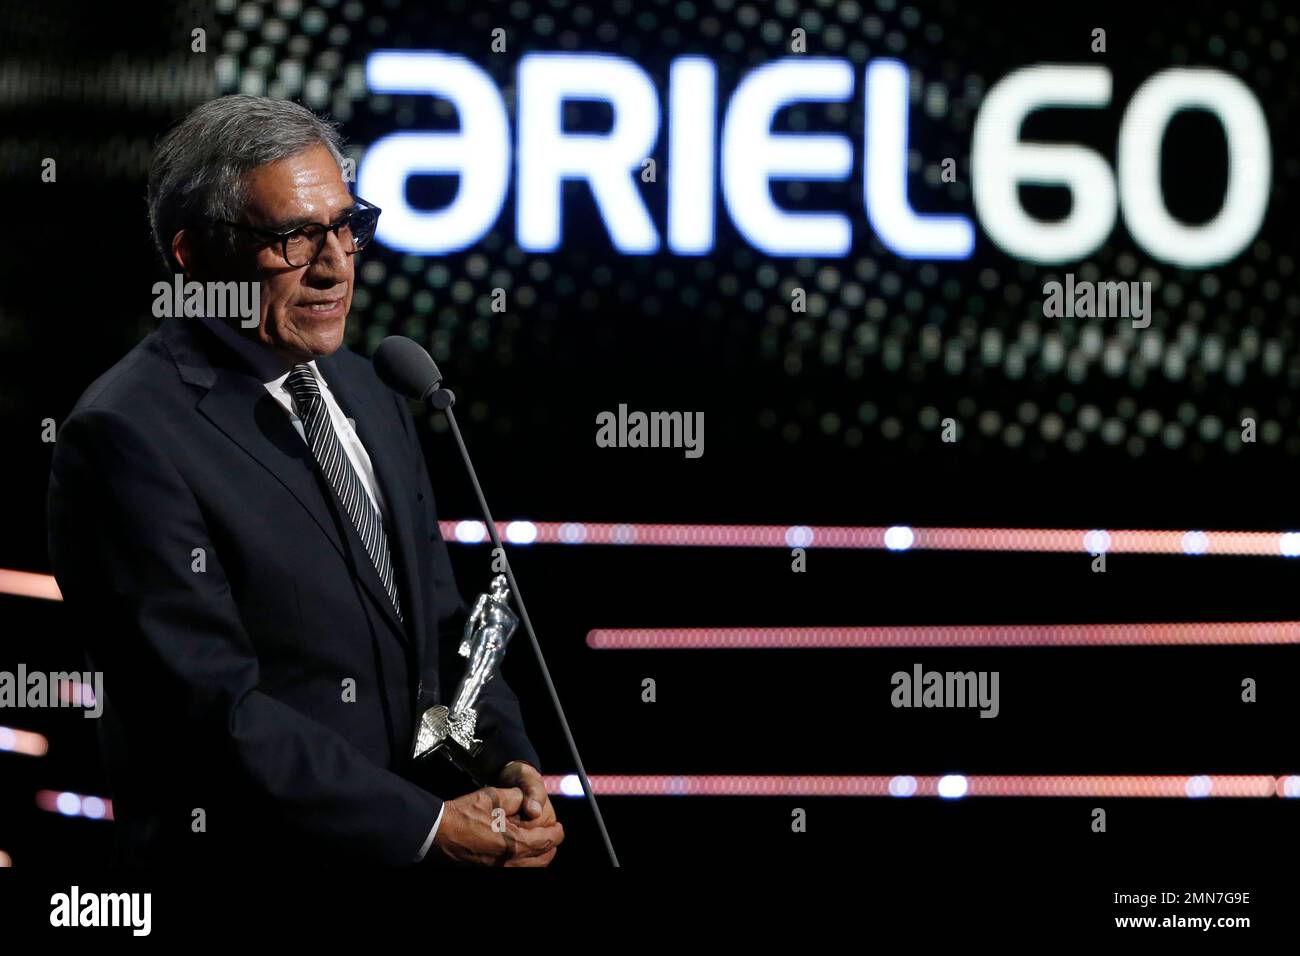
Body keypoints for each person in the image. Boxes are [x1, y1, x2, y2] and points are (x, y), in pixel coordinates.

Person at [46, 95, 562, 866]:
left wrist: (503, 759)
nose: (334, 265)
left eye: (347, 226)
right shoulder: (127, 436)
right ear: (193, 256)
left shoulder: (372, 389)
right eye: (292, 237)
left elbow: (443, 631)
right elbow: (210, 711)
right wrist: (425, 827)